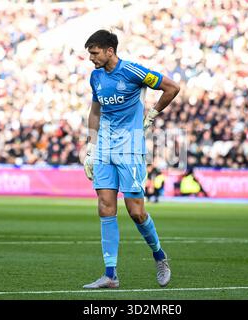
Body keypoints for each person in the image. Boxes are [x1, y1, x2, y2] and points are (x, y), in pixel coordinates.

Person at [82, 30, 180, 289]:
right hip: (104, 148)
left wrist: (153, 114)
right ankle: (110, 275)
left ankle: (159, 256)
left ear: (109, 51)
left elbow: (172, 87)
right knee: (105, 206)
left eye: (94, 53)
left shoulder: (134, 72)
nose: (91, 58)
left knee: (136, 212)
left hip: (130, 149)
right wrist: (91, 147)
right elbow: (95, 111)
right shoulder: (96, 77)